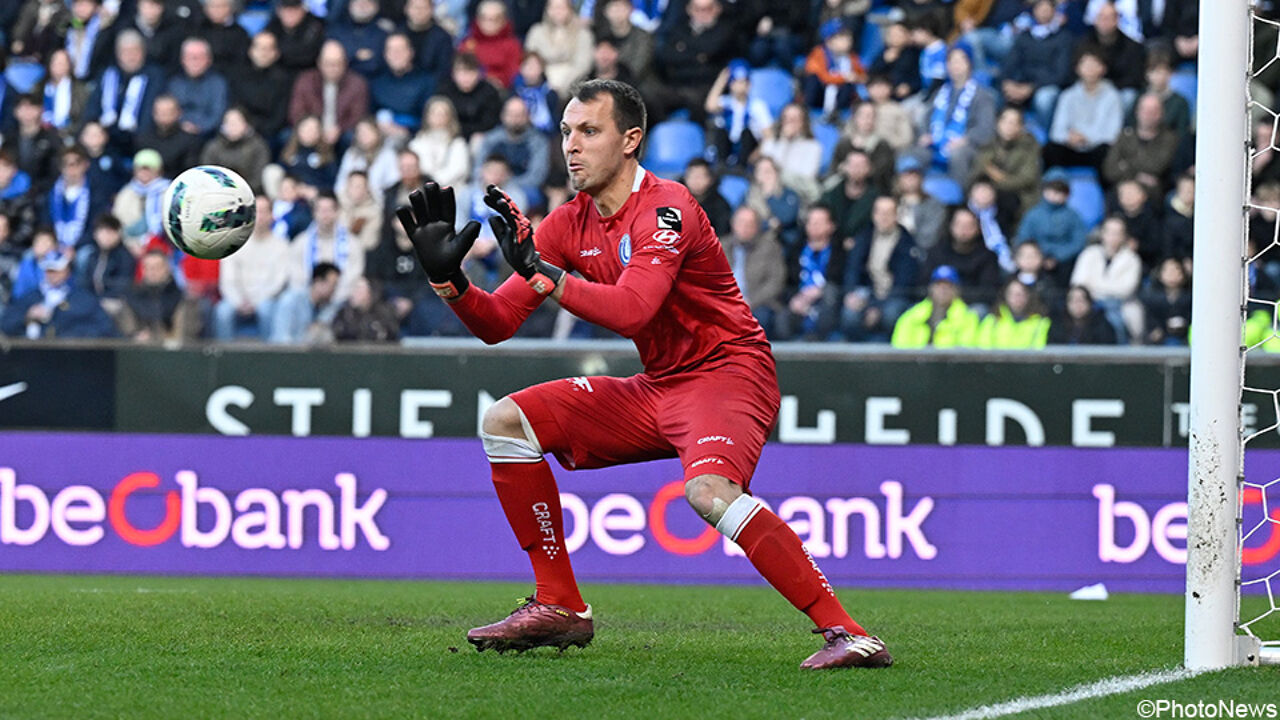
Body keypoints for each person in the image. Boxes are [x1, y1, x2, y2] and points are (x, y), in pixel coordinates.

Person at [393, 79, 893, 669]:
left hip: (728, 372)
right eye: (565, 132)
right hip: (659, 384)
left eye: (589, 131)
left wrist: (542, 274)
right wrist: (447, 280)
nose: (571, 146)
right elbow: (497, 321)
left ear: (631, 139)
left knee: (708, 493)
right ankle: (560, 606)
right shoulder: (566, 224)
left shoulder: (667, 208)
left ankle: (850, 633)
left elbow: (633, 308)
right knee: (506, 421)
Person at [840, 194, 920, 343]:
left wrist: (878, 308)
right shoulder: (864, 237)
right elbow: (852, 269)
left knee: (891, 315)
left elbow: (905, 282)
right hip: (867, 294)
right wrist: (851, 293)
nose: (883, 217)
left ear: (896, 215)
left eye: (888, 213)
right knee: (849, 314)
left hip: (894, 297)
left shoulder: (907, 243)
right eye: (879, 212)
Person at [213, 195, 292, 340]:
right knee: (222, 311)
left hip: (266, 300)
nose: (260, 216)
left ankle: (268, 357)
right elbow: (228, 280)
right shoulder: (234, 243)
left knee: (267, 310)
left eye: (264, 211)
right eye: (256, 211)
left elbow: (279, 282)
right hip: (238, 300)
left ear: (271, 216)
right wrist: (239, 301)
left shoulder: (282, 246)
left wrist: (256, 302)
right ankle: (223, 357)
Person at [1, 248, 118, 339]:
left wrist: (62, 330)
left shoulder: (82, 298)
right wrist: (27, 317)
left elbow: (104, 327)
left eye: (56, 270)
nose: (52, 274)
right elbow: (5, 325)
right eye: (49, 270)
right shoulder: (30, 297)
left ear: (67, 271)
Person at [1068, 215, 1142, 341]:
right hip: (1089, 304)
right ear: (1102, 233)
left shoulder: (1132, 259)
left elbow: (1125, 290)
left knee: (1116, 320)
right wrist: (1107, 287)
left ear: (1124, 236)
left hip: (1120, 307)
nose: (1113, 237)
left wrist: (1094, 285)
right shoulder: (1088, 254)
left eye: (1117, 233)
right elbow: (1078, 283)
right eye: (1110, 232)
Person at [720, 205, 786, 336]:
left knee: (760, 318)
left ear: (757, 227)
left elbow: (775, 282)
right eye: (741, 223)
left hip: (758, 304)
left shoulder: (770, 247)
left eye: (750, 224)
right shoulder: (720, 246)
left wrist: (750, 302)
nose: (744, 228)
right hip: (725, 305)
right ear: (733, 224)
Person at [971, 107, 1043, 222]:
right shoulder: (988, 144)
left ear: (1021, 127)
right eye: (1005, 121)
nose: (1009, 126)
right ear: (997, 123)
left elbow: (1026, 179)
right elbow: (980, 170)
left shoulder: (1029, 147)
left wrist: (999, 180)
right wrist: (985, 189)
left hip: (1020, 196)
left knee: (1007, 201)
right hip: (990, 193)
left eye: (1014, 123)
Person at [1102, 93, 1178, 196]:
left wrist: (1125, 165)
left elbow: (1155, 167)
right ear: (1137, 112)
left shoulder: (1169, 138)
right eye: (1145, 110)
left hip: (1152, 193)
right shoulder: (1125, 136)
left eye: (1153, 111)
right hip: (1122, 190)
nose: (1148, 115)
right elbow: (1109, 170)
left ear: (1161, 114)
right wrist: (1138, 175)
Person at [704, 60, 772, 171]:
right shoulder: (726, 102)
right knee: (720, 131)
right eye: (737, 82)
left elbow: (768, 135)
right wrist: (721, 81)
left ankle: (741, 167)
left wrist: (757, 153)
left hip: (747, 148)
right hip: (729, 146)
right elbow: (710, 106)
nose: (741, 86)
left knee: (747, 133)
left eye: (744, 82)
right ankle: (721, 165)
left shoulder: (757, 106)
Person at [119, 248, 200, 341]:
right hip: (142, 349)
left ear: (167, 268)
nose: (152, 272)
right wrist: (136, 335)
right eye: (148, 267)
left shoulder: (182, 298)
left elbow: (187, 332)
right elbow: (128, 329)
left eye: (157, 267)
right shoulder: (132, 297)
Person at [890, 265, 979, 348]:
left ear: (956, 290)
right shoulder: (912, 316)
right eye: (938, 285)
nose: (943, 290)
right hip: (914, 363)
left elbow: (966, 353)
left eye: (948, 286)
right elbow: (899, 349)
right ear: (931, 288)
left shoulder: (968, 318)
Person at [524, 0, 594, 97]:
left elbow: (583, 64)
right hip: (541, 84)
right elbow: (530, 60)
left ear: (570, 9)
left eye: (562, 7)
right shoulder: (536, 32)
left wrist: (563, 85)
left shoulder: (583, 34)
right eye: (553, 8)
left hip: (573, 85)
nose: (557, 11)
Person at [802, 19, 867, 118]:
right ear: (829, 41)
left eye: (848, 38)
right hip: (820, 95)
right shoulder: (817, 54)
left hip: (840, 97)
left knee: (848, 86)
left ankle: (837, 115)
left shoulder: (852, 57)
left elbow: (863, 77)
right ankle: (807, 112)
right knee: (813, 79)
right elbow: (823, 77)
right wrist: (845, 77)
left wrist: (854, 78)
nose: (848, 41)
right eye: (842, 38)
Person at [199, 108, 272, 195]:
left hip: (250, 194)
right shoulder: (213, 147)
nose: (232, 127)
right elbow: (207, 173)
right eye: (228, 123)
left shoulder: (258, 146)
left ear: (246, 124)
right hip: (219, 194)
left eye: (236, 122)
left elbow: (258, 177)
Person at [166, 37, 228, 138]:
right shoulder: (174, 83)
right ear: (183, 60)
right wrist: (182, 125)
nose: (195, 61)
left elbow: (218, 114)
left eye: (200, 57)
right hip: (177, 135)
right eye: (190, 57)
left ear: (209, 60)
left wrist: (200, 128)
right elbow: (169, 112)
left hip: (208, 136)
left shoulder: (218, 83)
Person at [111, 148, 169, 252]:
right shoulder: (126, 193)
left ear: (158, 170)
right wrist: (131, 244)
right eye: (141, 168)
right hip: (130, 247)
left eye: (149, 168)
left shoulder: (168, 191)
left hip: (163, 244)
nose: (144, 172)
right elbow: (117, 224)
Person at [269, 260, 341, 343]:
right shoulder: (291, 301)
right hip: (287, 353)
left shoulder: (330, 306)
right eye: (333, 285)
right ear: (318, 281)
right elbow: (281, 338)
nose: (334, 290)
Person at [134, 94, 202, 180]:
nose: (163, 117)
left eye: (168, 113)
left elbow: (189, 173)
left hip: (173, 185)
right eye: (159, 112)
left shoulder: (189, 141)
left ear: (179, 113)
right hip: (141, 184)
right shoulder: (143, 137)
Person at [409, 96, 472, 189]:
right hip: (423, 189)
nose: (438, 117)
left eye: (443, 114)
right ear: (427, 116)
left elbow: (459, 170)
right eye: (434, 113)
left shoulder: (458, 144)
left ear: (450, 117)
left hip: (453, 191)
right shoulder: (417, 143)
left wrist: (436, 181)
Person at [459, 0, 523, 89]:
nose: (489, 23)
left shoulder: (512, 45)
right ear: (478, 19)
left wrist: (497, 81)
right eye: (484, 18)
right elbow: (460, 68)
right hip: (470, 89)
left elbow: (513, 74)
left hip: (501, 91)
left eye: (495, 19)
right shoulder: (468, 43)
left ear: (504, 20)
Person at [974, 278, 1050, 349]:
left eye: (1020, 294)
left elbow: (1039, 349)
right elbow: (983, 347)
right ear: (1005, 296)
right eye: (1012, 294)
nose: (1017, 298)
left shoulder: (1041, 323)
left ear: (1028, 296)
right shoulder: (993, 320)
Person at [332, 276, 400, 342]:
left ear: (370, 293)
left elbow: (391, 335)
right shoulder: (344, 313)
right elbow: (338, 333)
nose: (353, 293)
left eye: (358, 289)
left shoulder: (385, 313)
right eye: (353, 289)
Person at [1142, 256, 1191, 346]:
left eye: (1176, 269)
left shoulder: (1189, 298)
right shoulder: (1152, 298)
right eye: (1168, 270)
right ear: (1160, 274)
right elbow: (1150, 320)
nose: (1172, 274)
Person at [1047, 284, 1118, 345]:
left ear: (1089, 303)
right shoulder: (1058, 325)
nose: (1077, 305)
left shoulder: (1102, 326)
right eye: (1073, 300)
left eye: (1081, 300)